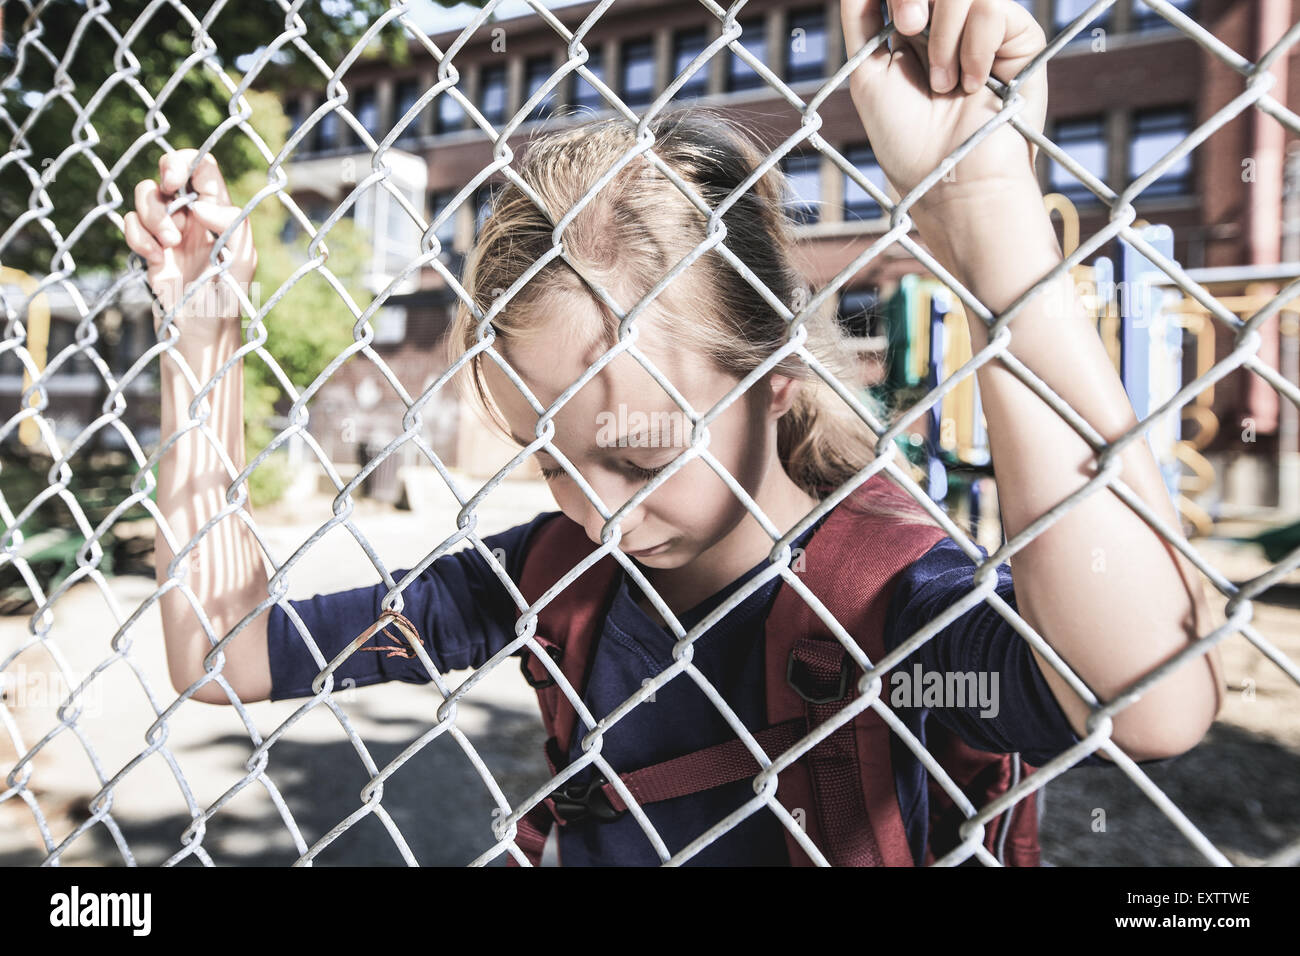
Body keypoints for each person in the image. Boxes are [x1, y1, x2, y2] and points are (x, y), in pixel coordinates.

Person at [126, 0, 1226, 865]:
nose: (600, 512)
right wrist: (202, 338)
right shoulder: (553, 584)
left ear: (779, 381)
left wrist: (984, 201)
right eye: (553, 459)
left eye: (643, 453)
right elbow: (224, 651)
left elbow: (1152, 696)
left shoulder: (890, 623)